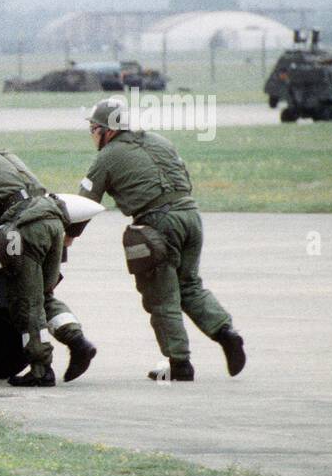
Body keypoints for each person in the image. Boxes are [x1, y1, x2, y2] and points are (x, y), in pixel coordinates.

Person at [78, 98, 245, 382]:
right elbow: (185, 180)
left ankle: (179, 363)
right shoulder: (160, 142)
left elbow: (84, 205)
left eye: (94, 128)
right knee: (190, 285)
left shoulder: (106, 157)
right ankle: (226, 332)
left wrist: (68, 237)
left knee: (162, 295)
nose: (92, 134)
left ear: (107, 130)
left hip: (158, 223)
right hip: (191, 216)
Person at [0, 115, 98, 386]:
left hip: (26, 229)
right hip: (51, 220)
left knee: (26, 300)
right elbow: (11, 202)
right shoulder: (7, 157)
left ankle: (40, 370)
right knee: (44, 294)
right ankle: (77, 340)